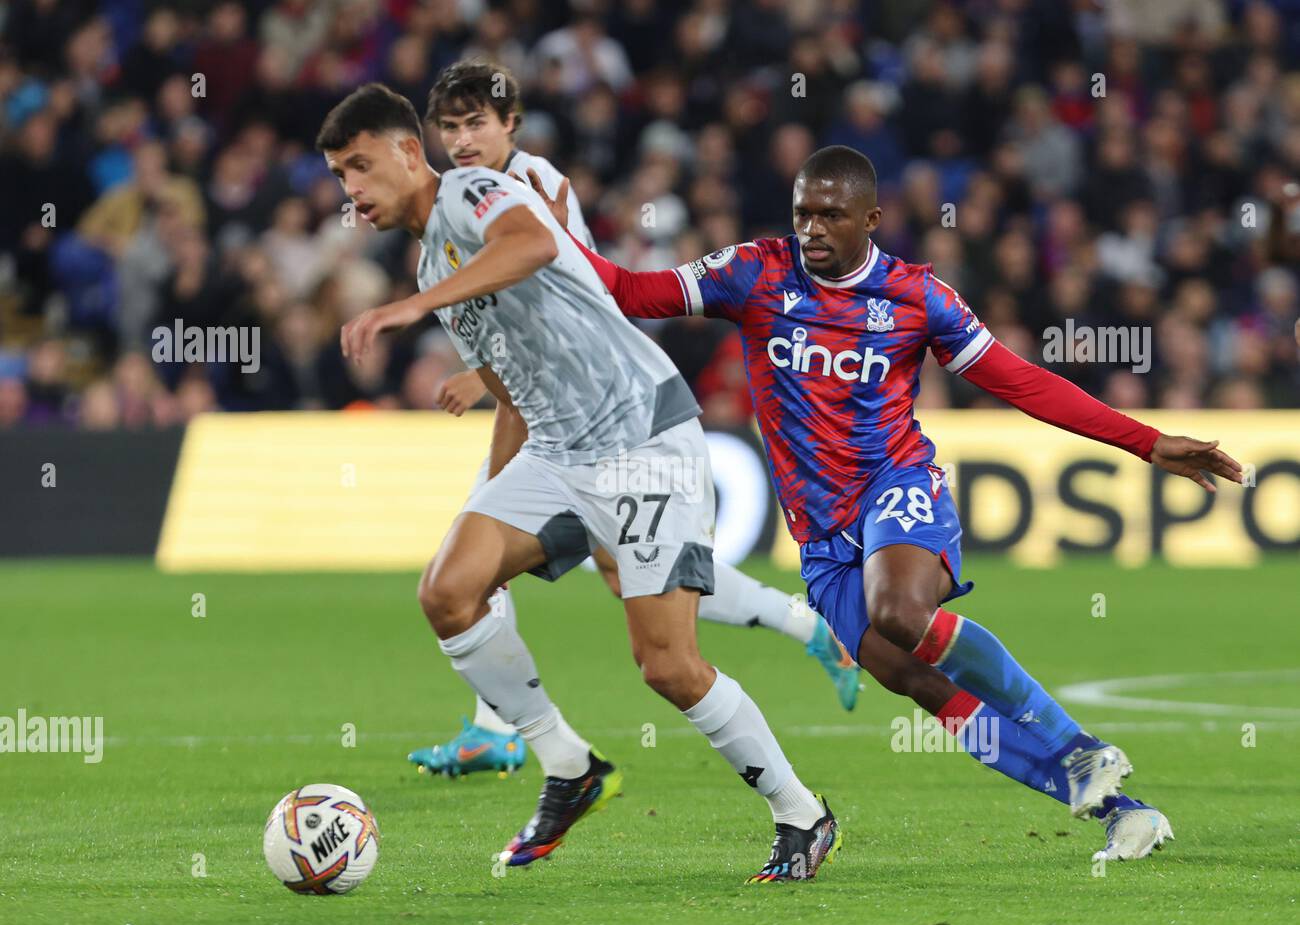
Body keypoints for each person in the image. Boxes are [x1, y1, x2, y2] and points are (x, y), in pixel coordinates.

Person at [526, 144, 1244, 862]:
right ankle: (1117, 808)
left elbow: (1021, 381)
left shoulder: (916, 296)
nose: (811, 228)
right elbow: (629, 291)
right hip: (821, 532)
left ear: (870, 218)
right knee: (918, 682)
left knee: (902, 615)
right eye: (803, 211)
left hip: (897, 487)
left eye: (830, 215)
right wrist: (559, 239)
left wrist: (1145, 441)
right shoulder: (753, 272)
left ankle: (1075, 746)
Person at [316, 83, 841, 882]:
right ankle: (569, 767)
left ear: (405, 151)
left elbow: (527, 241)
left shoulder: (472, 190)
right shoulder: (430, 255)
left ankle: (802, 812)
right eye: (338, 176)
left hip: (642, 436)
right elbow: (516, 380)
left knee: (667, 665)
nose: (351, 191)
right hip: (560, 451)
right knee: (450, 588)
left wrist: (408, 309)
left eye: (359, 166)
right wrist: (492, 492)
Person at [407, 61, 860, 782]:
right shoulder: (467, 201)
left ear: (510, 125)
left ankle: (499, 727)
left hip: (602, 406)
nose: (462, 140)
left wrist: (489, 383)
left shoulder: (526, 189)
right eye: (450, 127)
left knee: (509, 554)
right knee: (600, 575)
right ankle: (806, 626)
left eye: (477, 123)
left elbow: (560, 296)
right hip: (560, 404)